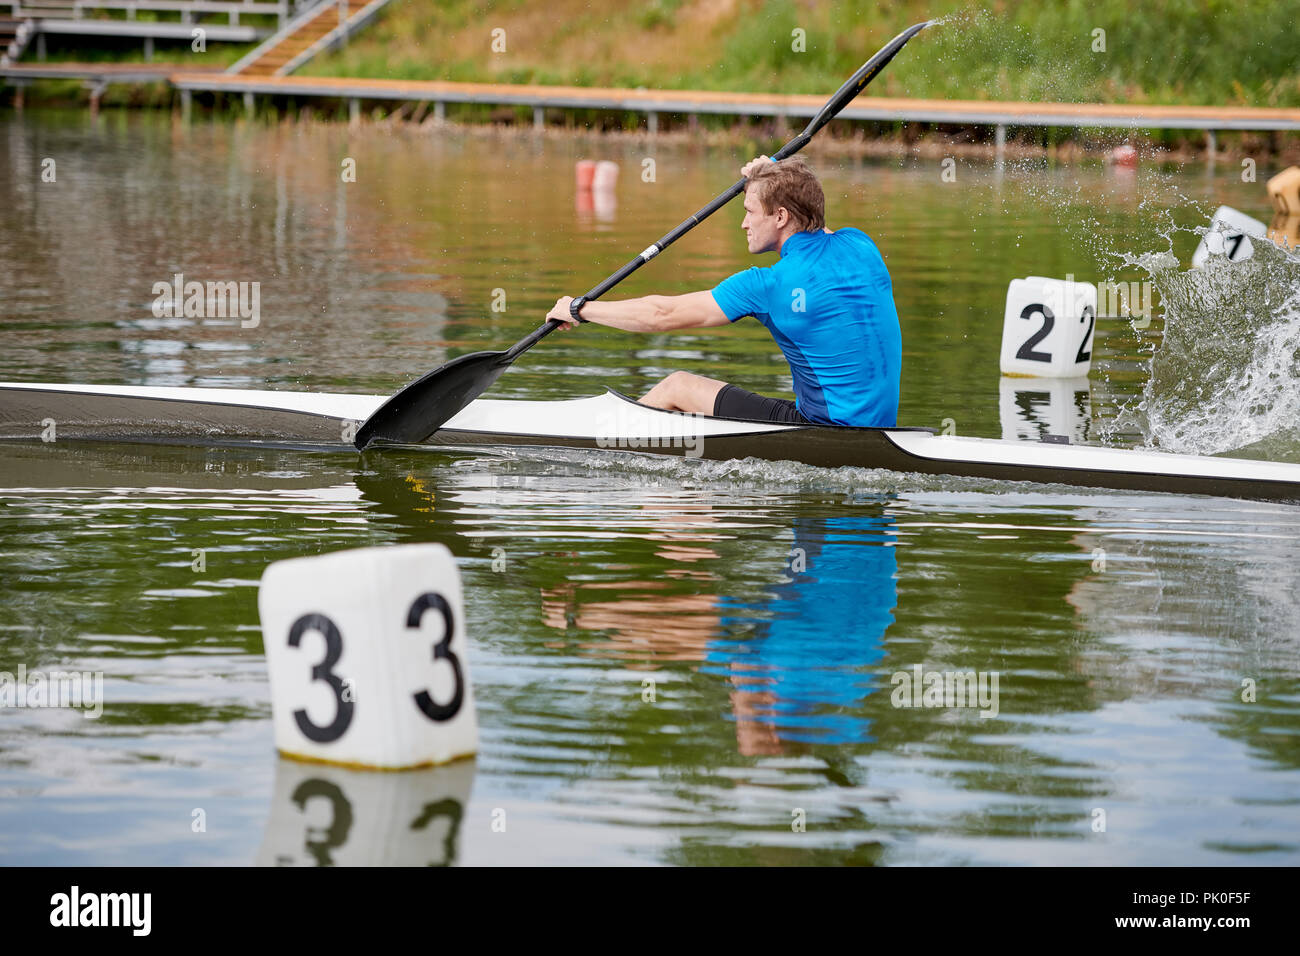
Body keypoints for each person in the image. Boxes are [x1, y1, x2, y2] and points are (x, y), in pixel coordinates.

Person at [546, 155, 902, 427]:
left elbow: (661, 315)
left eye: (750, 211)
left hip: (823, 432)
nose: (744, 223)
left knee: (677, 386)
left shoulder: (767, 285)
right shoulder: (861, 247)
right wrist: (774, 172)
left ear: (779, 217)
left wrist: (580, 308)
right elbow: (814, 222)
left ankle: (597, 442)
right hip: (879, 431)